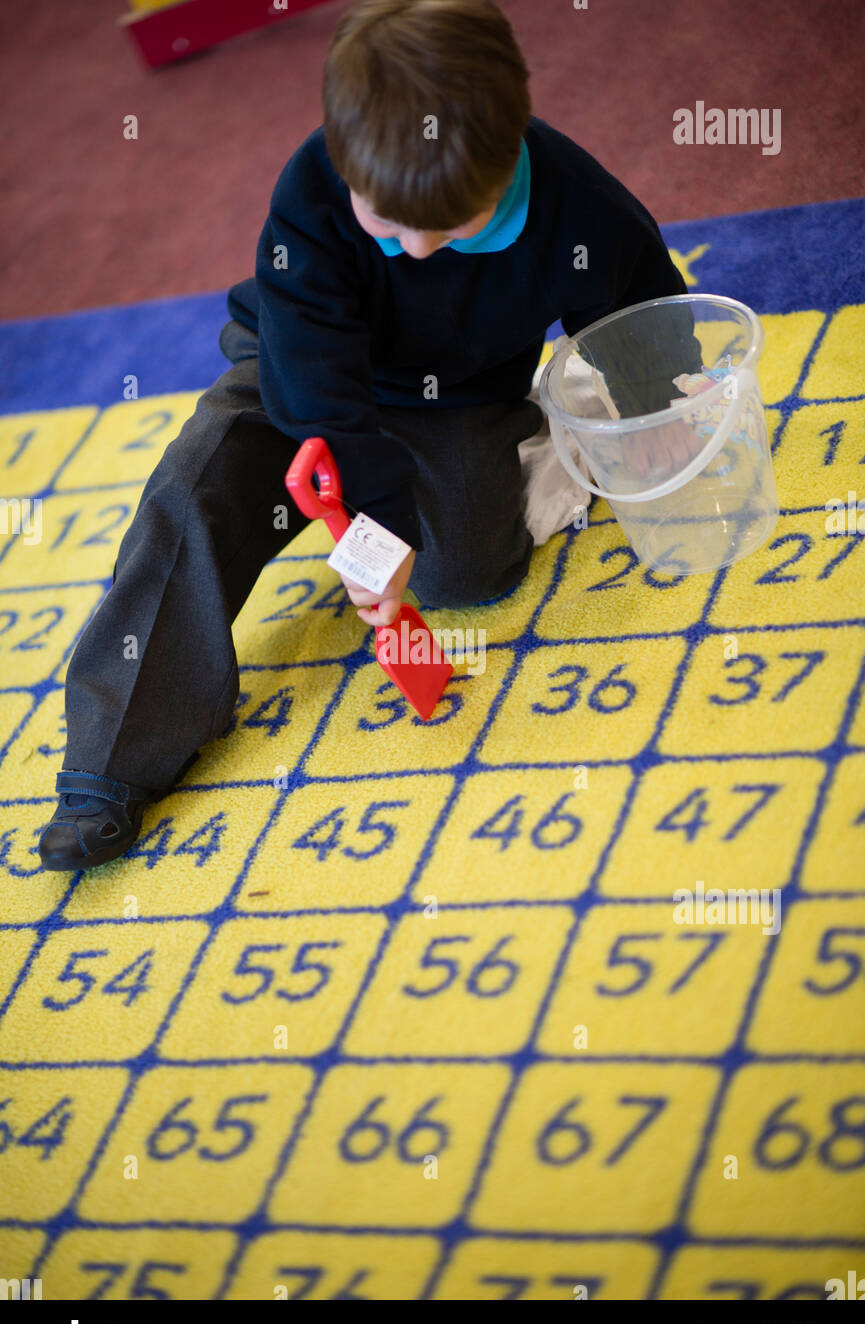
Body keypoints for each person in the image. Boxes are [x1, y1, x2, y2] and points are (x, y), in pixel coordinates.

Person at [38, 0, 702, 873]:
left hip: (455, 397)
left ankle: (542, 442)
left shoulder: (577, 202)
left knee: (465, 573)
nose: (420, 248)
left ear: (510, 158)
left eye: (455, 225)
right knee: (195, 488)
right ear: (345, 161)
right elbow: (314, 381)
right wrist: (374, 521)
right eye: (389, 224)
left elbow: (637, 305)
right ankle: (108, 760)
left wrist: (652, 408)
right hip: (297, 380)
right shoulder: (310, 191)